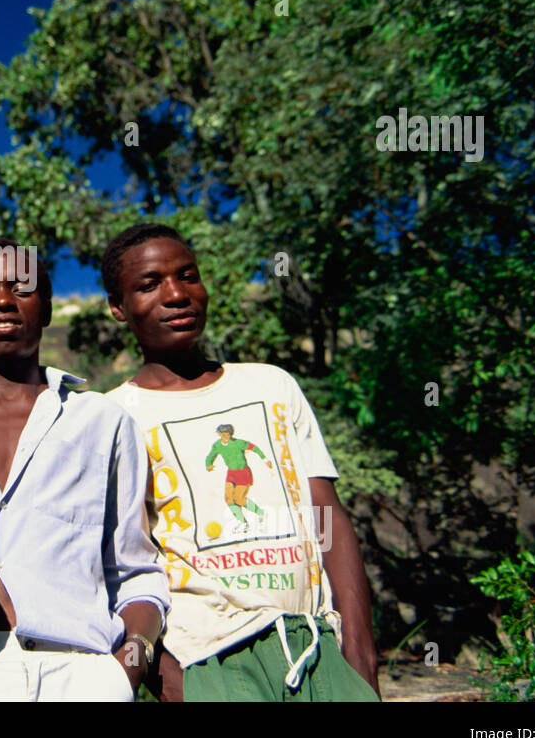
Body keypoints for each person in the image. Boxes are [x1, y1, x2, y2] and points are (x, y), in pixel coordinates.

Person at [100, 223, 380, 702]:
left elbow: (327, 516)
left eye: (188, 276)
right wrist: (169, 680)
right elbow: (113, 562)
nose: (176, 294)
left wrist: (360, 658)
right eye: (149, 285)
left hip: (317, 647)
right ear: (119, 307)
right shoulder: (112, 416)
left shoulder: (271, 386)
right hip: (211, 662)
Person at [0, 237, 168, 701]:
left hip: (82, 673)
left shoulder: (102, 421)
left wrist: (126, 669)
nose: (4, 302)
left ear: (48, 307)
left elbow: (136, 569)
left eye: (22, 288)